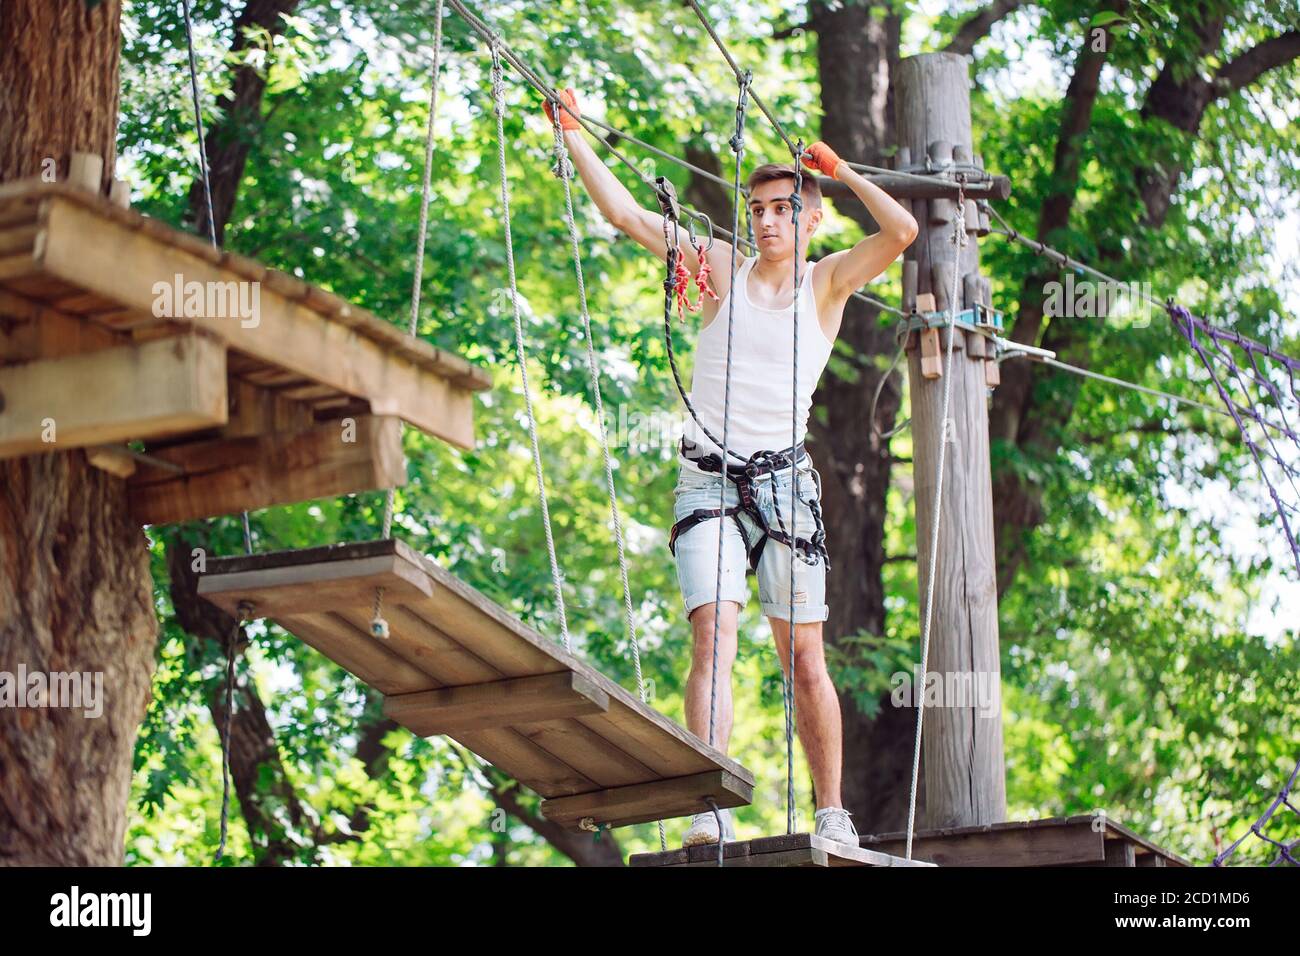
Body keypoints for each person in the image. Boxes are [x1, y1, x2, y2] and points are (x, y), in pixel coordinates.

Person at [545, 88, 918, 848]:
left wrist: (841, 172)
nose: (768, 219)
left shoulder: (829, 282)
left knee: (803, 655)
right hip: (709, 480)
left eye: (783, 208)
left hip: (784, 487)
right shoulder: (717, 265)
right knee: (712, 636)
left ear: (810, 219)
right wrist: (573, 135)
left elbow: (903, 229)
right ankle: (707, 799)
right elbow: (625, 216)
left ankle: (832, 810)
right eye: (759, 209)